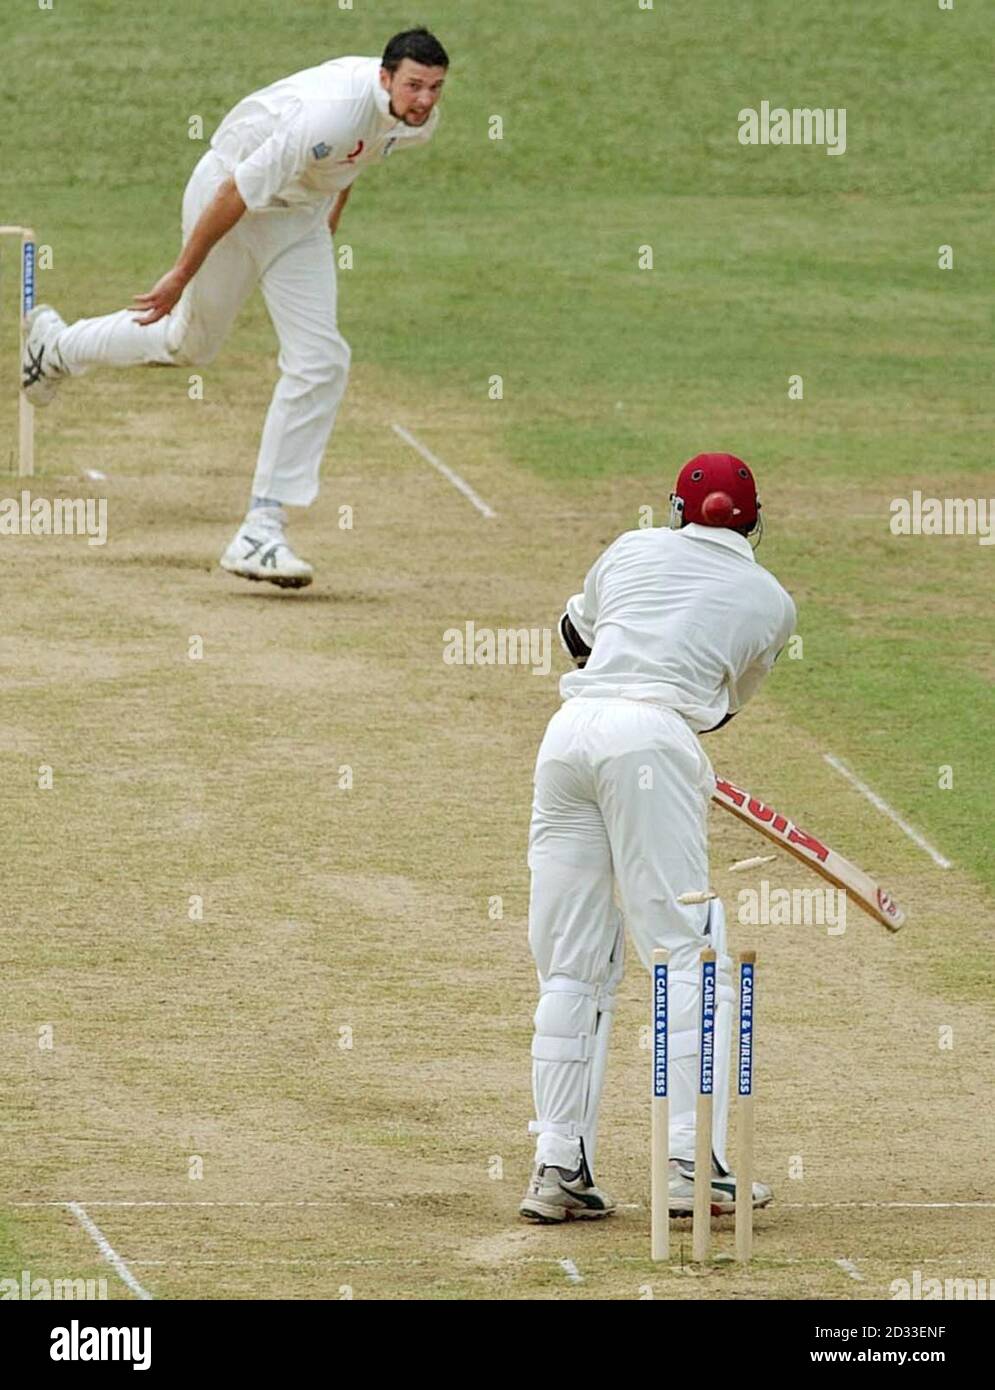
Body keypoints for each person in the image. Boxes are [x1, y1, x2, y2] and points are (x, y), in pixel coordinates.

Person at [21, 28, 449, 589]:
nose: (424, 100)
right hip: (231, 196)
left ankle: (261, 527)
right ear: (385, 77)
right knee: (187, 344)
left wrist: (329, 217)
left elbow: (356, 159)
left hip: (299, 217)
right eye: (414, 85)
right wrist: (181, 273)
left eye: (435, 88)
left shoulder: (418, 122)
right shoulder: (329, 113)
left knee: (321, 359)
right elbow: (235, 194)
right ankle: (55, 348)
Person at [519, 453, 796, 1223]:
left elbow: (573, 633)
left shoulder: (630, 546)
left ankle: (556, 1165)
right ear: (752, 521)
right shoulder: (769, 601)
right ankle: (688, 1166)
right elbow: (724, 705)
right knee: (687, 952)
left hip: (568, 734)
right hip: (656, 741)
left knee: (570, 968)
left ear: (676, 509)